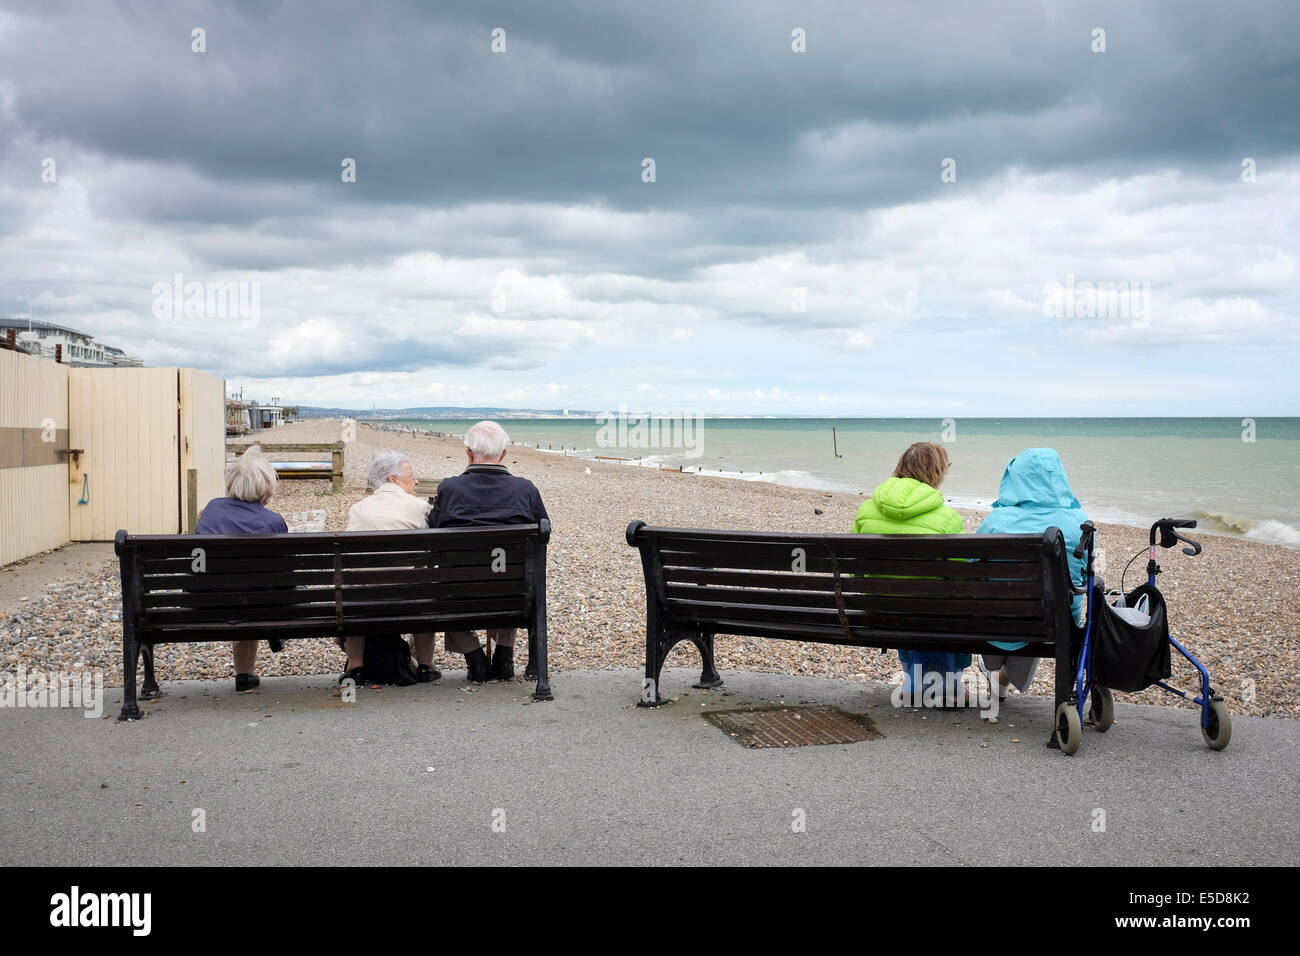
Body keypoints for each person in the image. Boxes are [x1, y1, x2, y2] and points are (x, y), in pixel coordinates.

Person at [428, 421, 549, 682]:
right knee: (509, 575)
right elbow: (543, 535)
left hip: (460, 592)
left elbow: (433, 533)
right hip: (513, 592)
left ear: (468, 452)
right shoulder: (525, 489)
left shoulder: (449, 488)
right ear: (504, 454)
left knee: (451, 584)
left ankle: (475, 658)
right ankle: (504, 655)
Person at [851, 441, 967, 705]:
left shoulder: (866, 510)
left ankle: (914, 681)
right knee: (944, 603)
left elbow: (855, 570)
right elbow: (960, 579)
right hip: (930, 613)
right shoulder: (947, 518)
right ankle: (950, 685)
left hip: (880, 610)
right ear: (937, 473)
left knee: (905, 597)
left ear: (901, 467)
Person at [976, 448, 1090, 699]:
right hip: (1054, 621)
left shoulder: (996, 521)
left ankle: (996, 674)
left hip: (995, 618)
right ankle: (1001, 679)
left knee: (1005, 601)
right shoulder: (1078, 522)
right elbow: (1084, 574)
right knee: (1049, 604)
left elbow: (971, 567)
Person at [340, 451, 441, 685]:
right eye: (411, 476)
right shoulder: (420, 507)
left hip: (364, 600)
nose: (416, 481)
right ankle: (426, 664)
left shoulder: (358, 509)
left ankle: (356, 665)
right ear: (392, 478)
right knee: (426, 586)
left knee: (350, 590)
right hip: (410, 600)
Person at [195, 445, 288, 692]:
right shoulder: (274, 522)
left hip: (208, 603)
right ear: (266, 487)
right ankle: (269, 636)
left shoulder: (211, 509)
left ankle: (244, 674)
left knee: (243, 592)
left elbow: (197, 565)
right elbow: (283, 574)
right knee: (255, 594)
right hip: (258, 604)